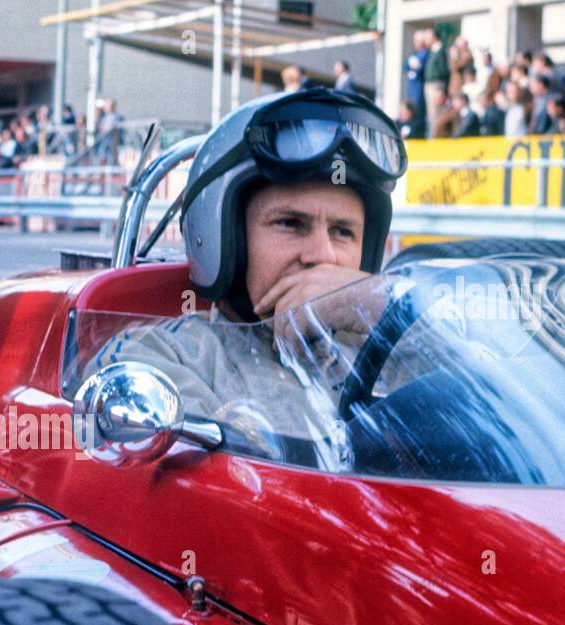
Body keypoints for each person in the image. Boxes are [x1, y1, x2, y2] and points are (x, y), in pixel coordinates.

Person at [85, 88, 405, 422]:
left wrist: (384, 304)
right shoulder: (160, 359)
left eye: (342, 231)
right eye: (291, 223)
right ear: (223, 237)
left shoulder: (389, 353)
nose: (324, 256)